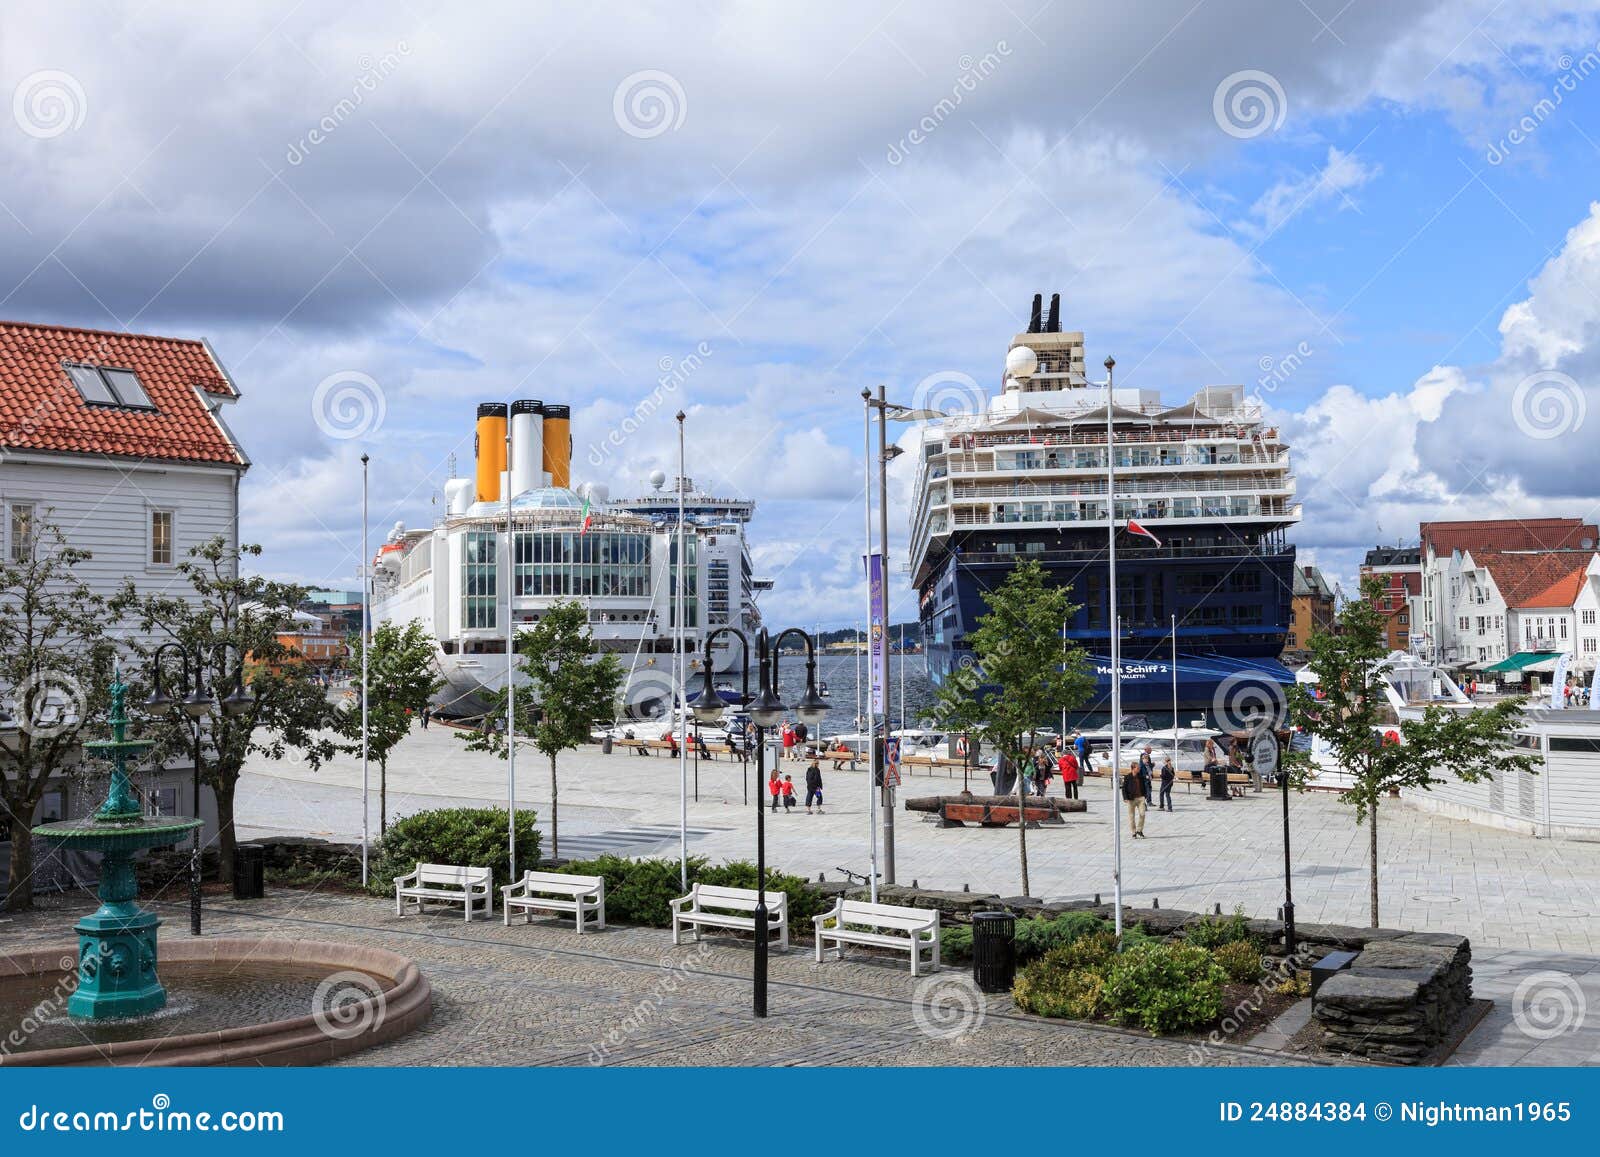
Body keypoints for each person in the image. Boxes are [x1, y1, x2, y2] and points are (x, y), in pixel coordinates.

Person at [1121, 761, 1147, 838]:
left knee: (1142, 814)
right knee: (1131, 816)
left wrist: (1145, 795)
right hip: (1131, 799)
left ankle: (1139, 830)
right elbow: (1124, 788)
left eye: (1139, 768)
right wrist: (1125, 798)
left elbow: (1144, 786)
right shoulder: (1127, 777)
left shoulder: (1140, 776)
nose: (1139, 769)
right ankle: (1133, 832)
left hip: (1140, 798)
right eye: (1137, 768)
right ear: (1133, 768)